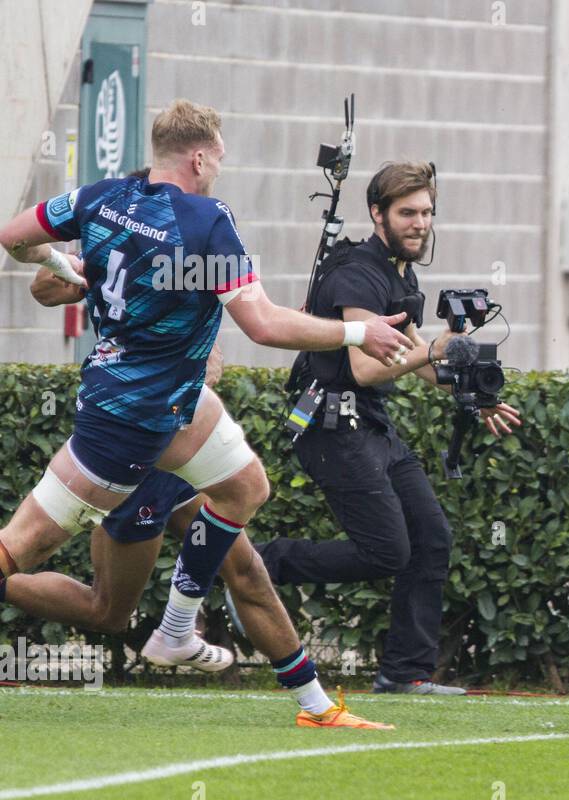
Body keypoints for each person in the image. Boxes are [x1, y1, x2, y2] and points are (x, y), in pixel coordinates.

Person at [0, 99, 410, 710]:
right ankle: (178, 632)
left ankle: (183, 632)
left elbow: (12, 238)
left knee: (246, 486)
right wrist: (358, 332)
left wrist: (62, 261)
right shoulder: (207, 220)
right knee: (18, 551)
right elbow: (264, 325)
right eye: (218, 155)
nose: (219, 165)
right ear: (198, 156)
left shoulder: (101, 197)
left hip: (176, 406)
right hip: (125, 421)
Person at [13, 260, 389, 729]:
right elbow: (43, 288)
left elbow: (259, 316)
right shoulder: (123, 227)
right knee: (107, 610)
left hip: (185, 436)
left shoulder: (202, 237)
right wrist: (71, 263)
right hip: (139, 449)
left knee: (247, 565)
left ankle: (316, 705)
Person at [254, 161, 522, 696]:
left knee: (431, 539)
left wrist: (473, 395)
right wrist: (435, 347)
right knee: (385, 552)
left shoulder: (403, 272)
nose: (420, 223)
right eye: (407, 213)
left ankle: (405, 673)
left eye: (426, 212)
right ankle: (258, 563)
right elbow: (365, 368)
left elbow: (415, 362)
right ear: (378, 213)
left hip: (370, 423)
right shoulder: (357, 272)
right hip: (332, 426)